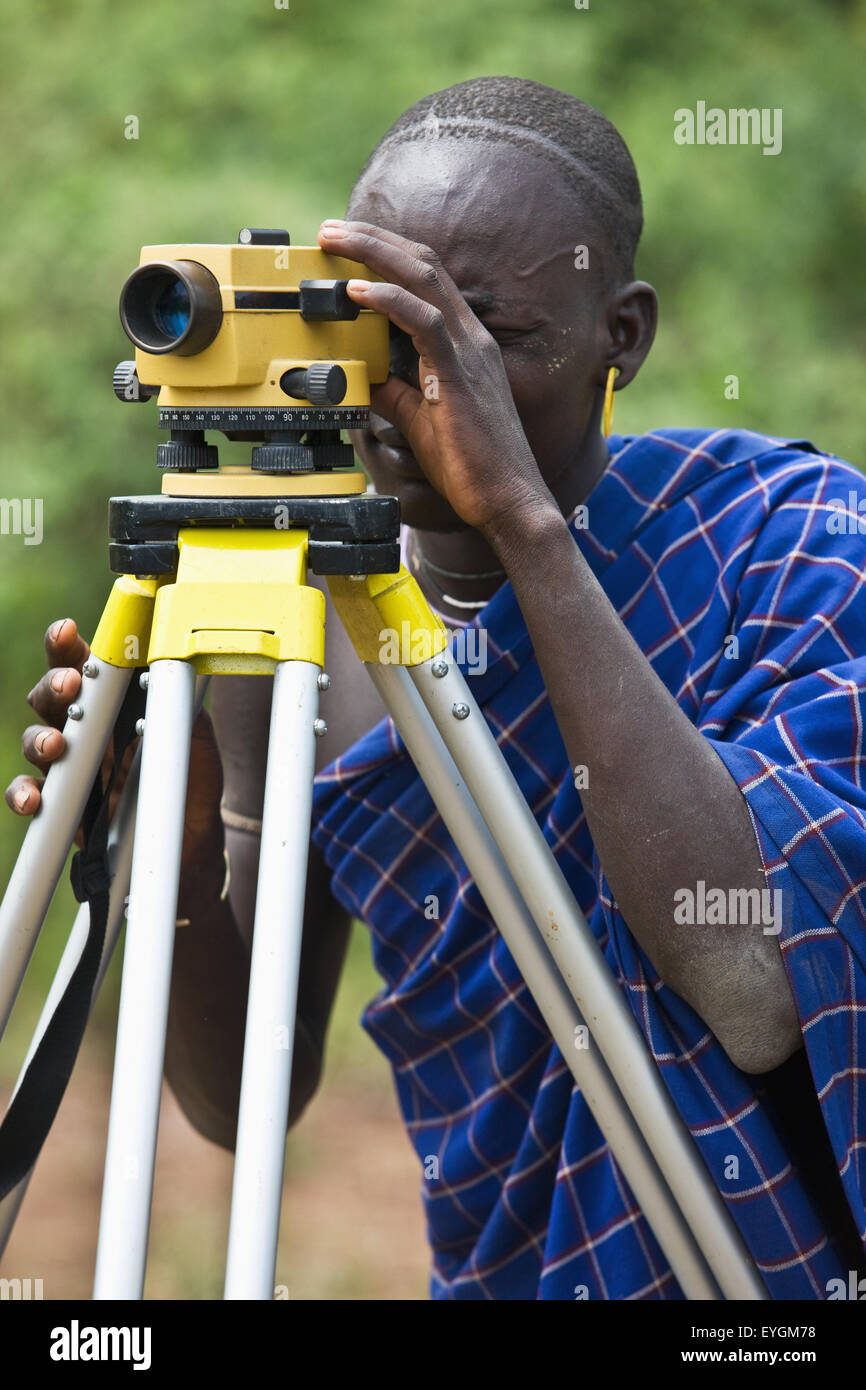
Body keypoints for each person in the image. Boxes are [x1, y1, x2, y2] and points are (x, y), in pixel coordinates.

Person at [7, 77, 866, 1300]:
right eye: (387, 332)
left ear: (622, 334)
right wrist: (176, 827)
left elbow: (751, 987)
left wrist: (521, 523)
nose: (419, 391)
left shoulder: (783, 542)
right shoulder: (305, 621)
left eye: (487, 339)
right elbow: (239, 1097)